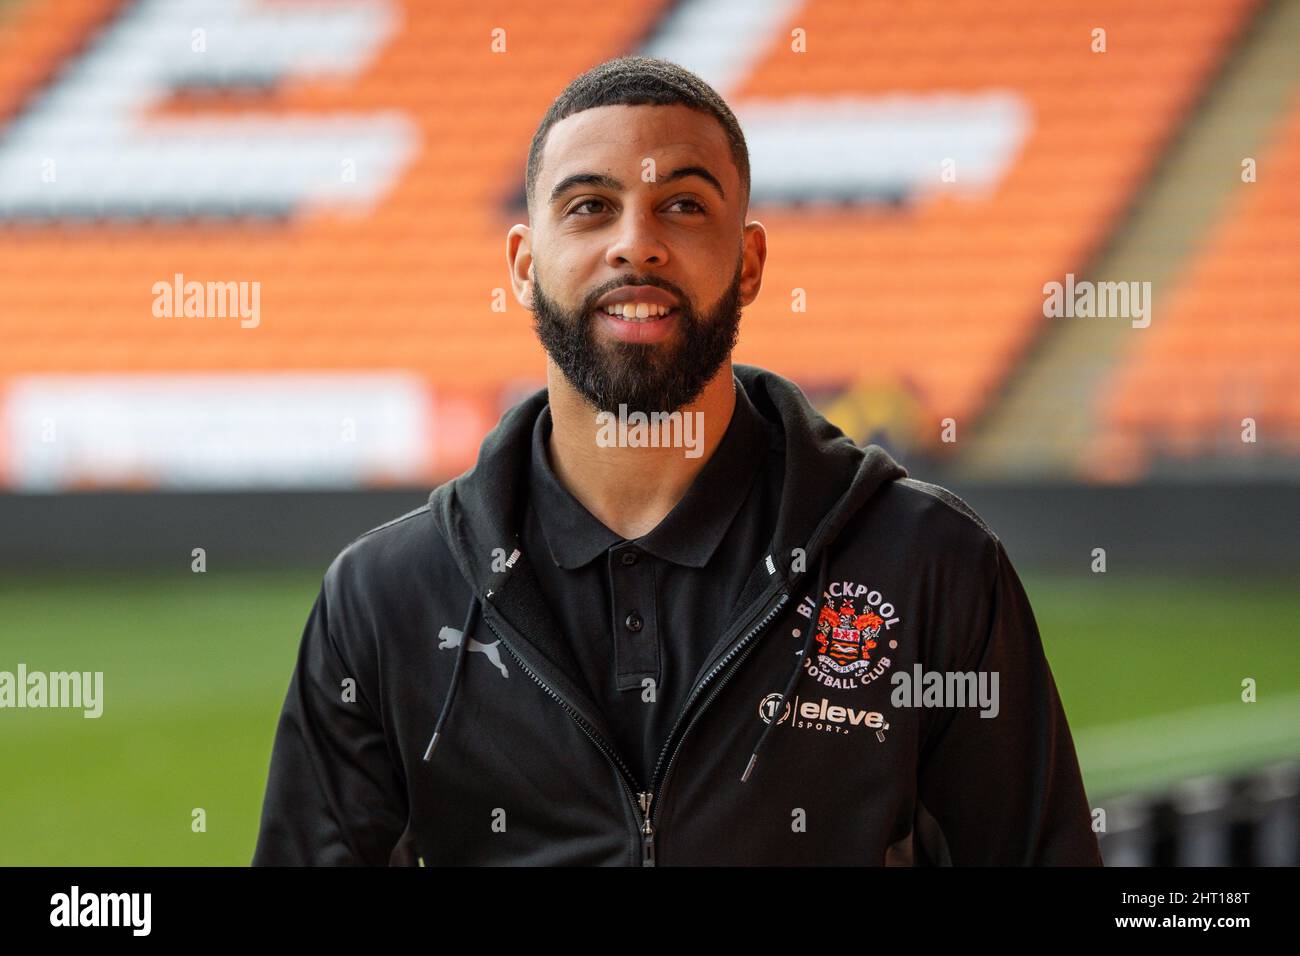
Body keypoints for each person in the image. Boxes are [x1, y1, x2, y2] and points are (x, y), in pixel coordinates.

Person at [252, 55, 1102, 866]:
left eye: (685, 207)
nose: (637, 244)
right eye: (589, 206)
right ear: (522, 264)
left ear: (751, 263)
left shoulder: (927, 564)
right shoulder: (384, 598)